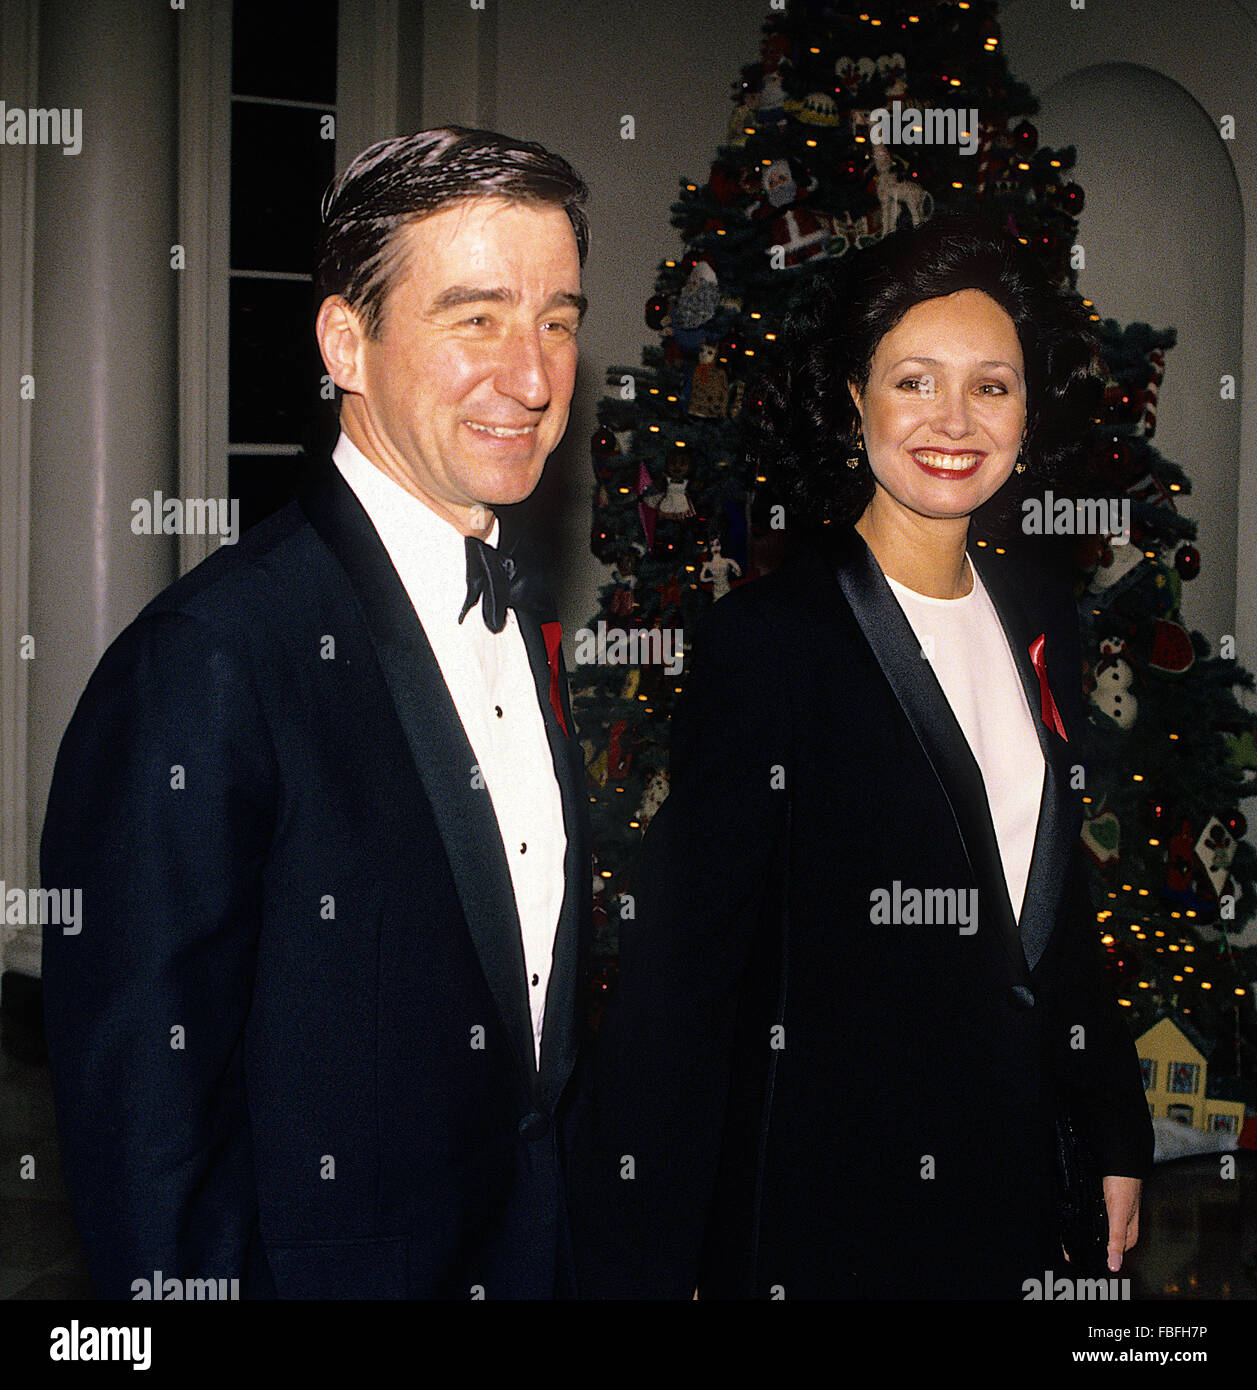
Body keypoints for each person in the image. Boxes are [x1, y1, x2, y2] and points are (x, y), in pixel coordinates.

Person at [41, 127, 592, 1299]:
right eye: (476, 317)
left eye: (557, 319)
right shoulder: (211, 661)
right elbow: (146, 1129)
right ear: (348, 340)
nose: (536, 375)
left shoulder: (516, 620)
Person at [572, 214, 1154, 1300]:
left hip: (1010, 1191)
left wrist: (1113, 1120)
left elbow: (1052, 905)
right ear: (853, 397)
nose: (954, 419)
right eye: (914, 380)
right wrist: (649, 1256)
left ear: (1029, 410)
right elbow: (680, 982)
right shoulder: (771, 643)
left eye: (992, 385)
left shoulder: (1044, 620)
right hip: (826, 1212)